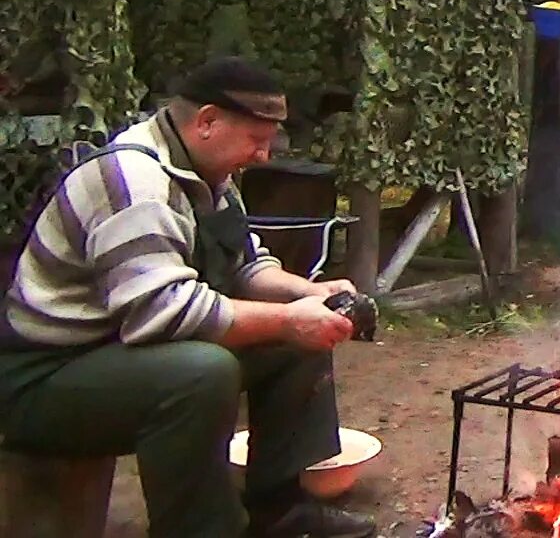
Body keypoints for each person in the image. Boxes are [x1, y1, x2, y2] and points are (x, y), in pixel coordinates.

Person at [0, 57, 374, 538]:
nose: (263, 156)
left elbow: (245, 265)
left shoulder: (210, 178)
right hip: (44, 376)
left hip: (119, 351)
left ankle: (278, 509)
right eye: (256, 141)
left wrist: (310, 294)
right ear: (208, 122)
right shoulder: (136, 181)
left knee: (301, 339)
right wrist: (286, 320)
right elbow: (162, 311)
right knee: (200, 372)